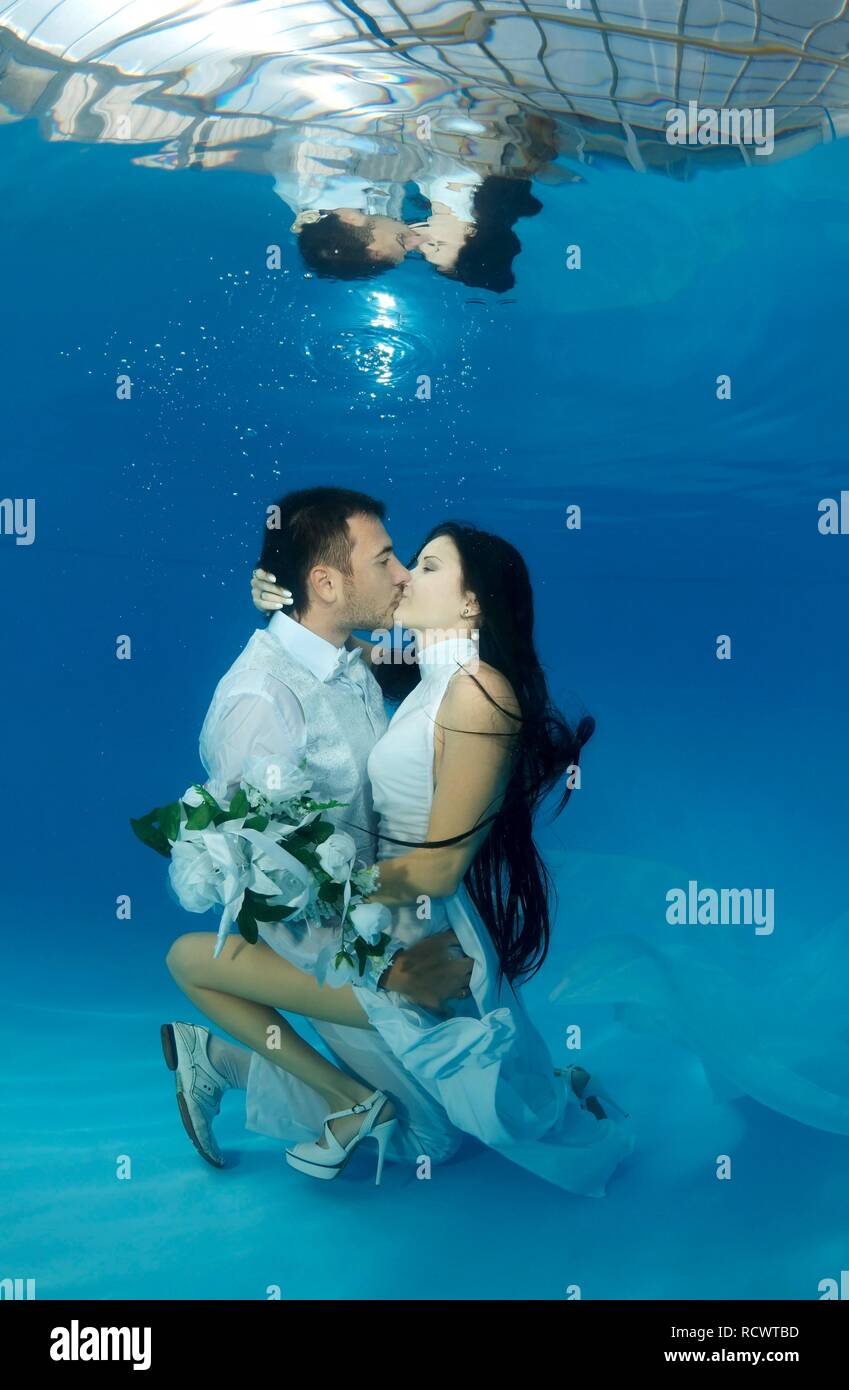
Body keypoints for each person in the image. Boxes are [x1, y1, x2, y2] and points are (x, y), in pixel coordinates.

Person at [229, 506, 636, 1195]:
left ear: (470, 600)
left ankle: (236, 1063)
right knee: (454, 1121)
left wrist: (318, 884)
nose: (402, 575)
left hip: (418, 912)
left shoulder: (478, 692)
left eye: (426, 565)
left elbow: (441, 868)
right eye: (401, 560)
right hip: (391, 910)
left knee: (471, 1127)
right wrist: (288, 597)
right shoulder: (432, 673)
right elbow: (332, 649)